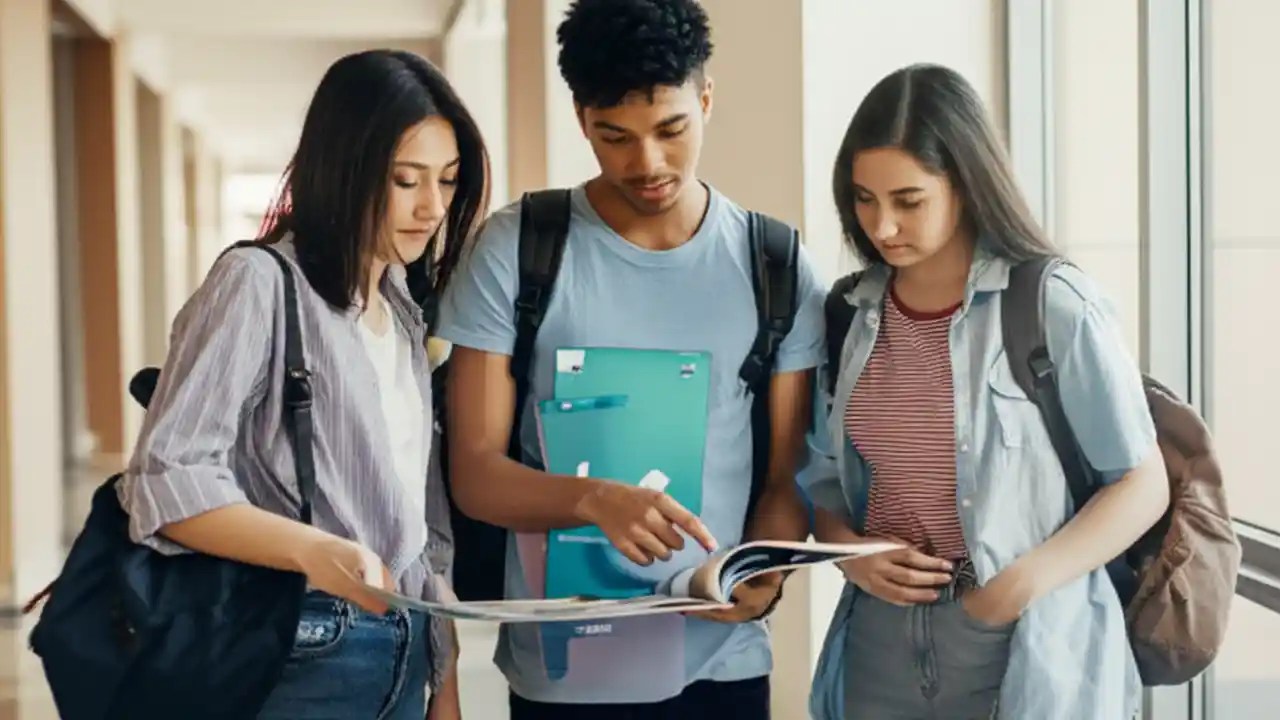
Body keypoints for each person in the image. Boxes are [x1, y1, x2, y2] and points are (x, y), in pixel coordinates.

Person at [435, 0, 825, 717]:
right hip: (564, 669)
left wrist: (762, 570)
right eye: (614, 137)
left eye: (672, 130)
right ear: (582, 118)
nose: (647, 163)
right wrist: (591, 500)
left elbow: (783, 474)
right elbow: (475, 473)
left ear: (707, 99)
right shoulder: (518, 249)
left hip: (722, 664)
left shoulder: (774, 264)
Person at [116, 49, 489, 720]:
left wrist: (446, 676)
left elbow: (421, 526)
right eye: (406, 180)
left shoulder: (402, 308)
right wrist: (315, 550)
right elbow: (166, 481)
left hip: (402, 653)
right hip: (299, 646)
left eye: (450, 180)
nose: (433, 207)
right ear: (343, 169)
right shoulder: (258, 283)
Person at [802, 63, 1170, 719]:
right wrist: (851, 554)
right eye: (863, 199)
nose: (881, 226)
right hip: (879, 639)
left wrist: (1014, 590)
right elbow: (824, 484)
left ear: (966, 188)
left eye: (908, 201)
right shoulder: (847, 315)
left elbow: (1142, 484)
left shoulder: (1052, 304)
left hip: (1026, 635)